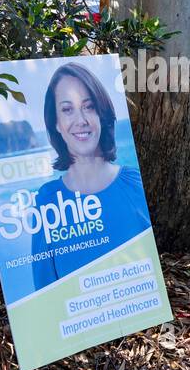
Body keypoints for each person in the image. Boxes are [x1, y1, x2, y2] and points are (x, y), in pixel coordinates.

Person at [30, 62, 150, 290]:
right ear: (55, 123)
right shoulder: (47, 200)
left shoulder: (134, 185)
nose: (81, 120)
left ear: (101, 114)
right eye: (67, 109)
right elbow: (44, 292)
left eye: (89, 107)